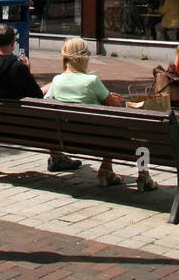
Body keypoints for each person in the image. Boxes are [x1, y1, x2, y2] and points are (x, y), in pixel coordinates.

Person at [0, 22, 81, 173]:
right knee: (53, 91)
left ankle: (57, 157)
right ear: (13, 43)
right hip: (22, 127)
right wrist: (28, 71)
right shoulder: (16, 68)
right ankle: (56, 157)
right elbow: (36, 97)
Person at [45, 37, 131, 188]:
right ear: (81, 57)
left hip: (67, 137)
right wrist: (113, 99)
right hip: (97, 138)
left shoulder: (57, 80)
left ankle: (107, 170)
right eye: (88, 53)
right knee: (116, 123)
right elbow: (114, 106)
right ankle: (109, 168)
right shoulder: (91, 80)